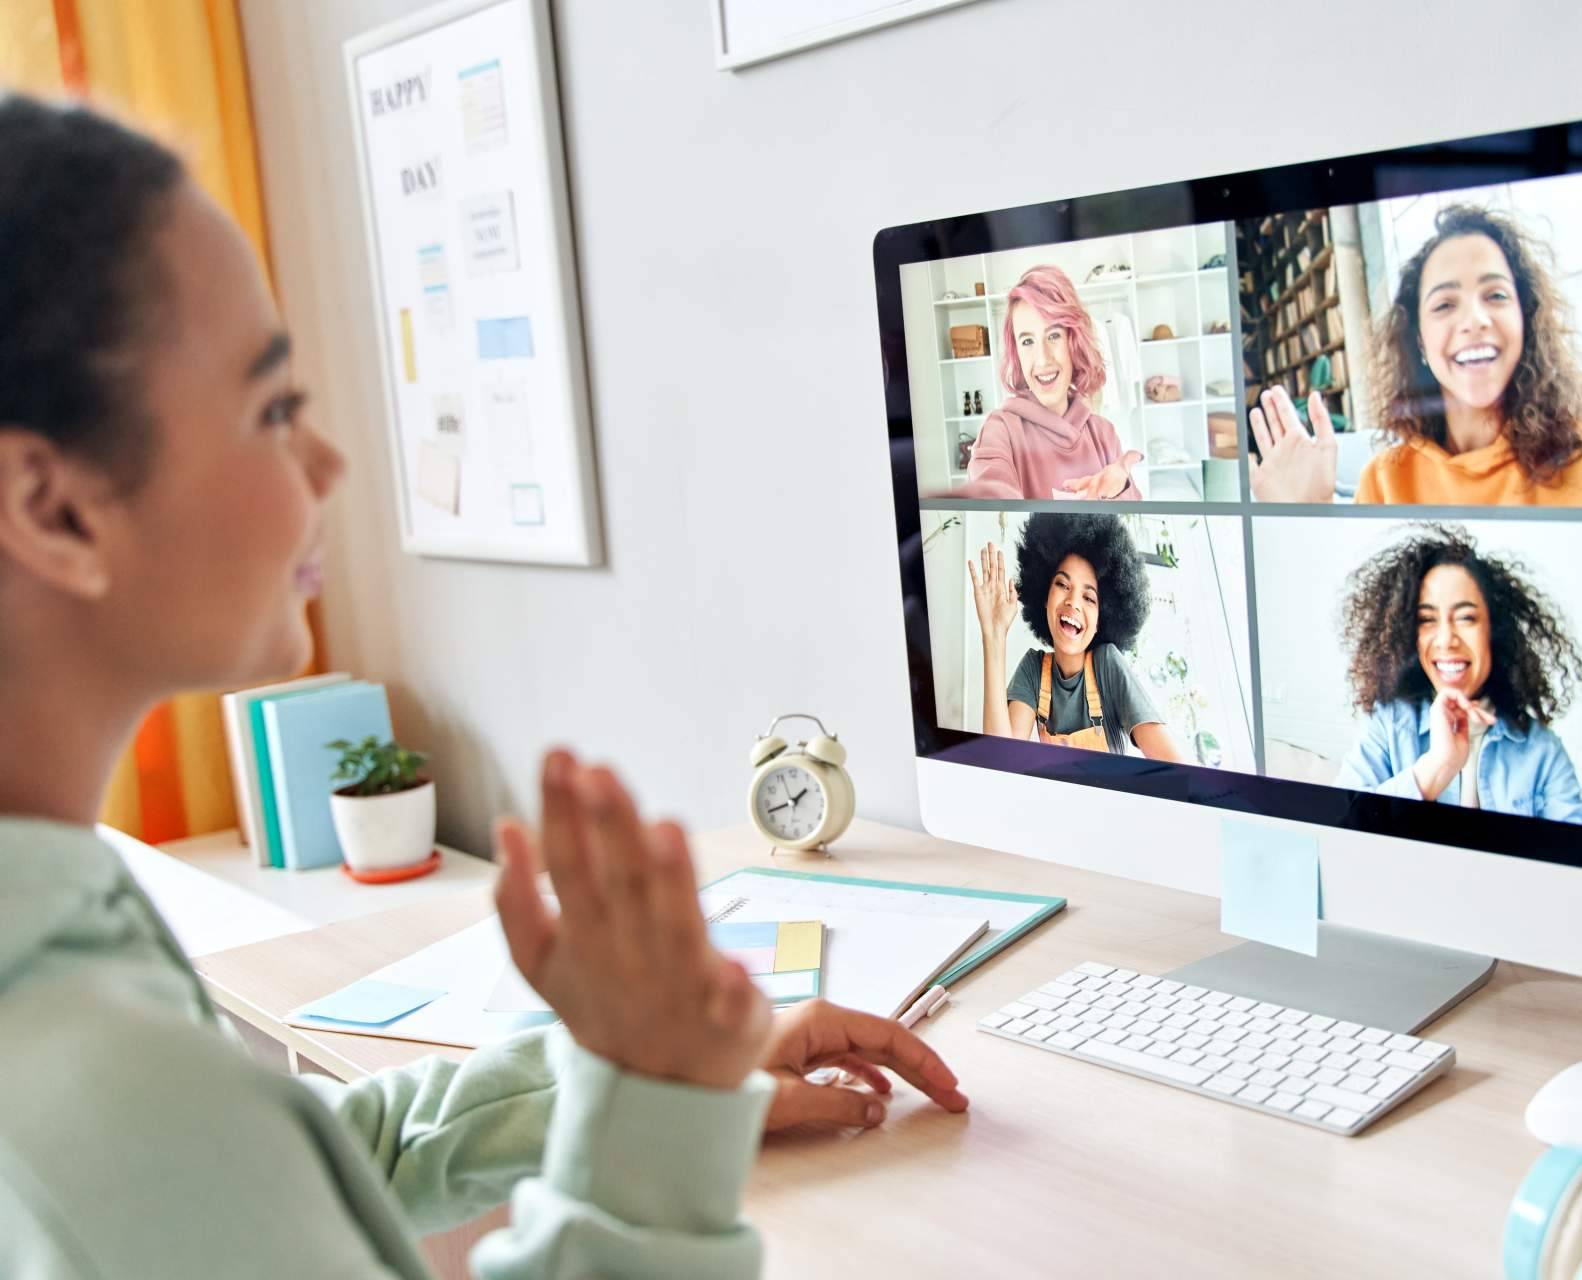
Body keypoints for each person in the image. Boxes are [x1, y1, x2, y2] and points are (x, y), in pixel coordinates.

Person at [0, 97, 964, 1279]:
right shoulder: (91, 1093)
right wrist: (655, 1122)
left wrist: (650, 1076)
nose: (328, 463)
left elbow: (284, 1176)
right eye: (275, 408)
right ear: (52, 507)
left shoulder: (70, 967)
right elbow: (190, 1167)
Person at [1249, 205, 1582, 509]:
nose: (1474, 320)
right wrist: (1310, 513)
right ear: (1419, 340)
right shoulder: (1385, 482)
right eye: (1444, 304)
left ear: (1526, 320)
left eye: (1496, 295)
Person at [1331, 525, 1582, 830]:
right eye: (1427, 620)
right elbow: (1340, 832)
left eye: (1465, 618)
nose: (1446, 639)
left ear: (1494, 631)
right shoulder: (1390, 726)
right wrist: (1437, 767)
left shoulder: (1541, 751)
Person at [968, 513, 1179, 760]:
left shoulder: (1107, 664)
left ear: (1101, 619)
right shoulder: (1033, 670)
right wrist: (994, 634)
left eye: (1089, 598)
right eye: (1062, 584)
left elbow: (1173, 764)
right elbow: (1001, 759)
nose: (1073, 602)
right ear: (1045, 598)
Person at [959, 265, 1143, 500]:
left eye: (1053, 335)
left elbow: (1132, 520)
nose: (1043, 359)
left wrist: (1121, 492)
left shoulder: (1104, 433)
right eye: (1027, 342)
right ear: (1017, 353)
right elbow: (991, 500)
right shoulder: (999, 431)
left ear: (1073, 342)